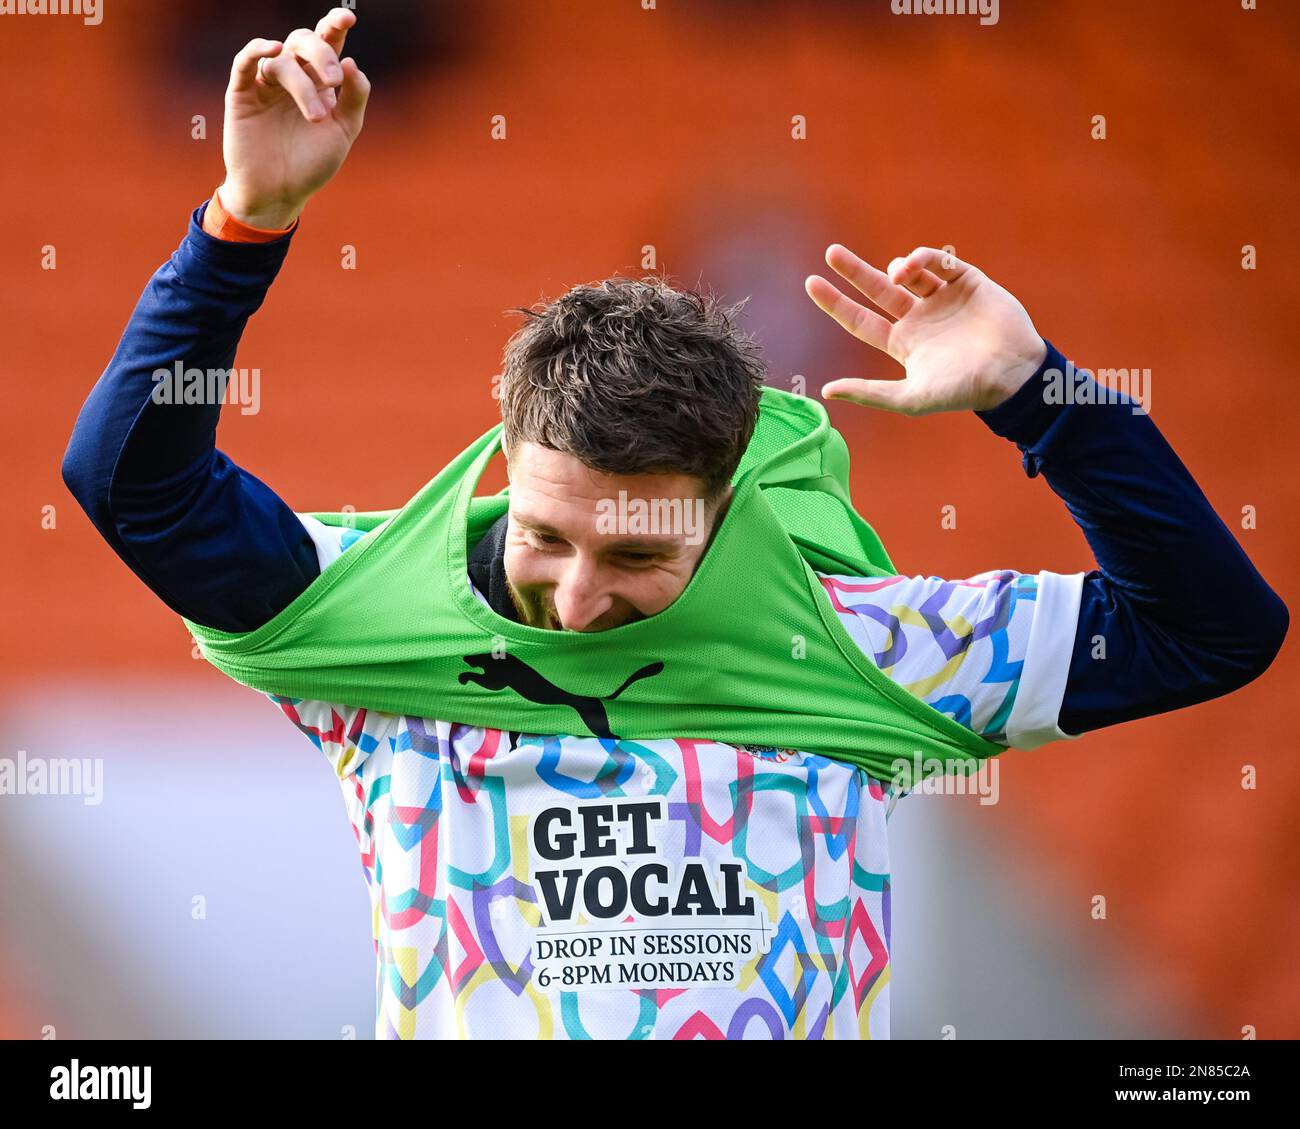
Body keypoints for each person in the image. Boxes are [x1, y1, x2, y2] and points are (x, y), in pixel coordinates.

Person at [62, 8, 1287, 1040]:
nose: (580, 596)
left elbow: (1211, 630)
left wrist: (1041, 398)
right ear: (502, 464)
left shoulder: (864, 646)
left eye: (639, 551)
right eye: (548, 535)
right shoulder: (366, 604)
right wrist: (244, 221)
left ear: (725, 507)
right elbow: (133, 489)